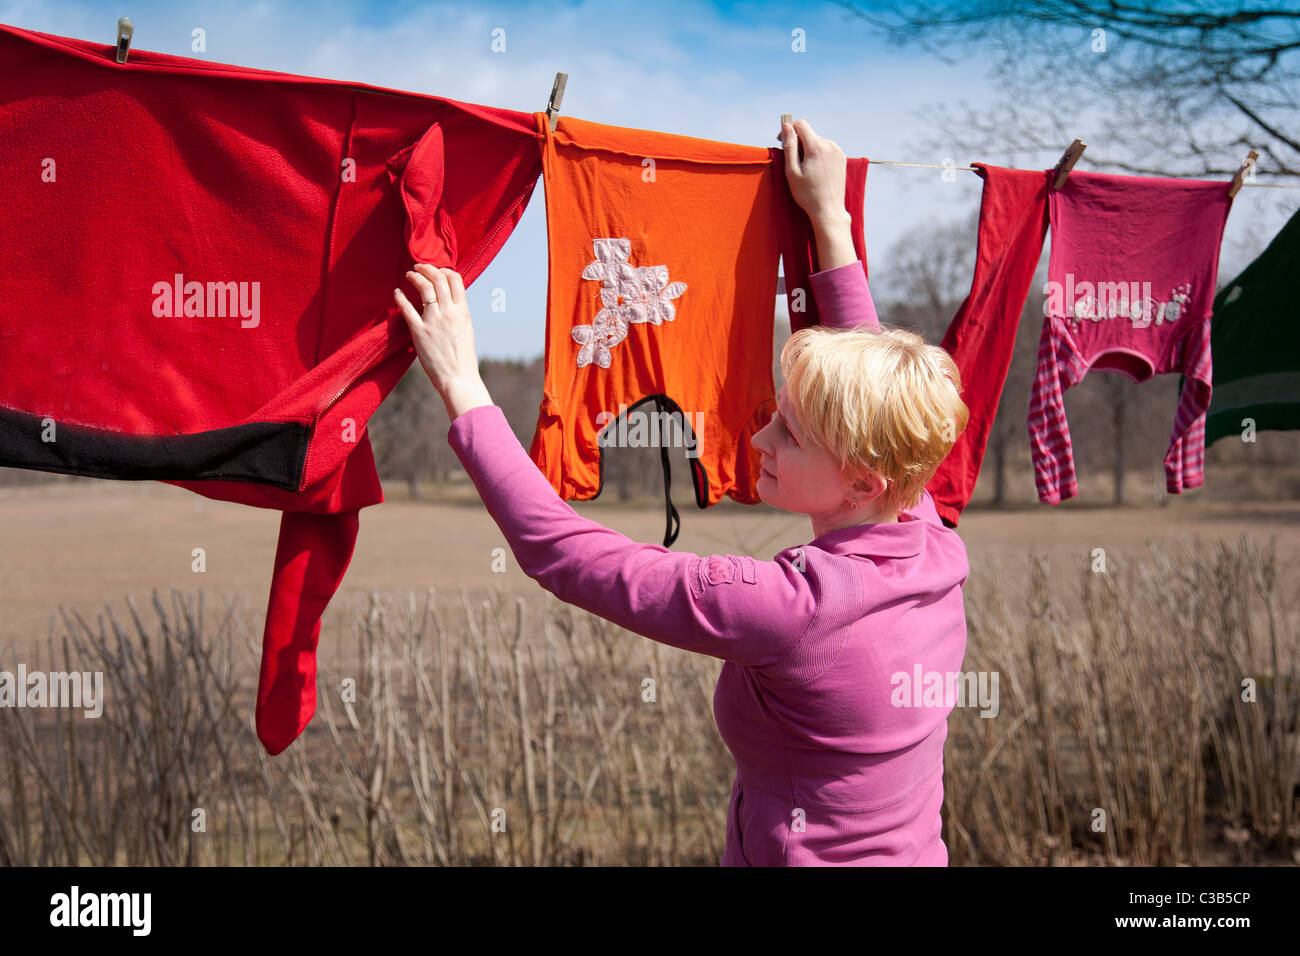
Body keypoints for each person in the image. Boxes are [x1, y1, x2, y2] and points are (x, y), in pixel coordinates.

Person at [393, 118, 971, 865]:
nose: (759, 441)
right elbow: (876, 397)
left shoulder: (794, 609)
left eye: (788, 436)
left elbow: (567, 555)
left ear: (862, 479)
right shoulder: (925, 533)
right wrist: (830, 217)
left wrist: (464, 387)